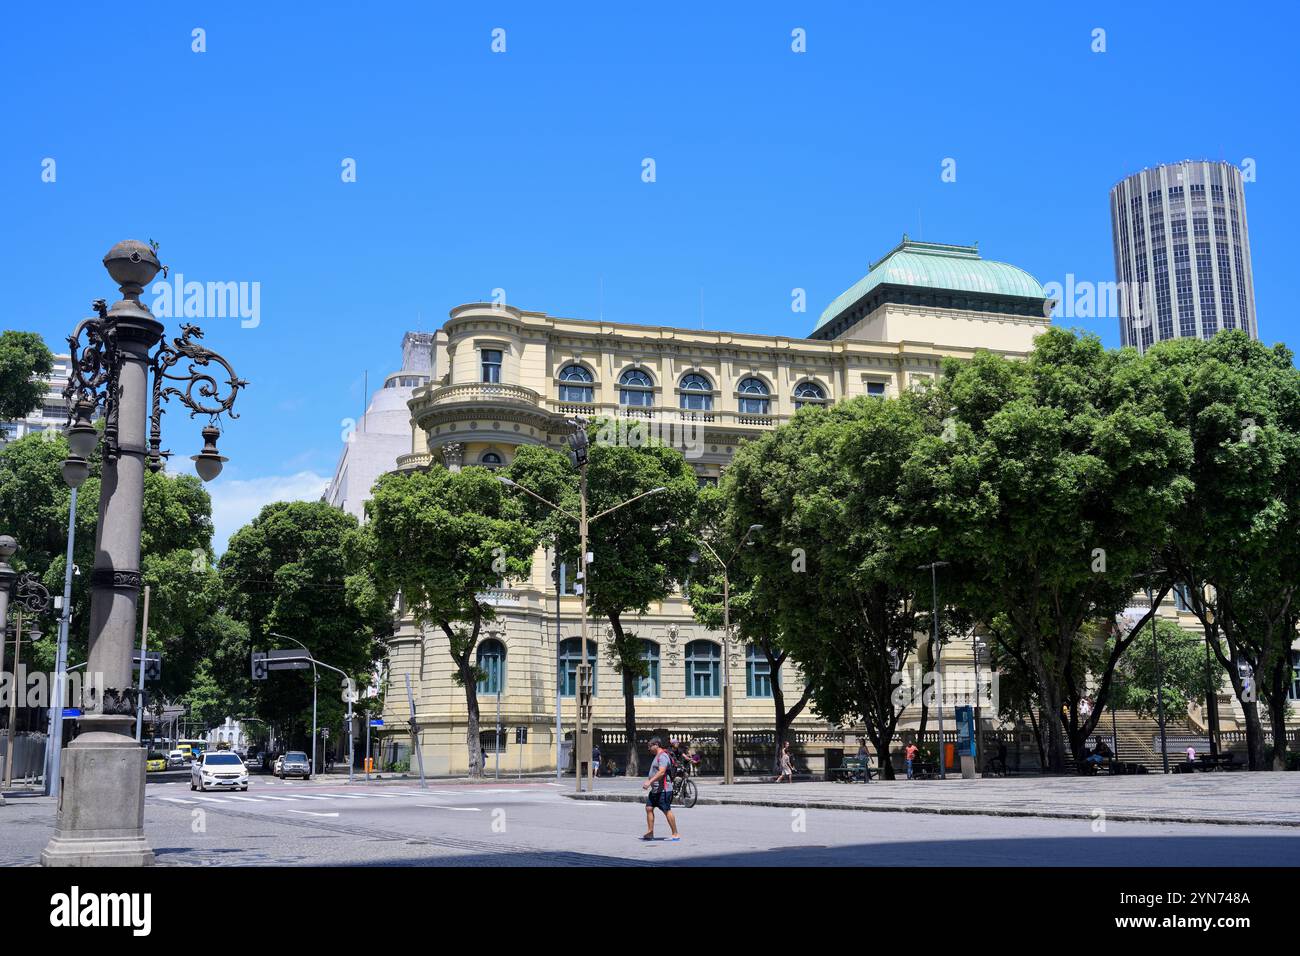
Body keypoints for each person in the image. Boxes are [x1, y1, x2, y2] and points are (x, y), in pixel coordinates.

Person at [641, 737, 680, 841]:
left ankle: (675, 833)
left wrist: (649, 781)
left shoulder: (662, 756)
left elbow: (662, 772)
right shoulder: (657, 756)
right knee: (649, 808)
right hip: (655, 790)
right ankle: (650, 833)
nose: (649, 749)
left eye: (650, 746)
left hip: (664, 790)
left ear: (656, 745)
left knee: (667, 810)